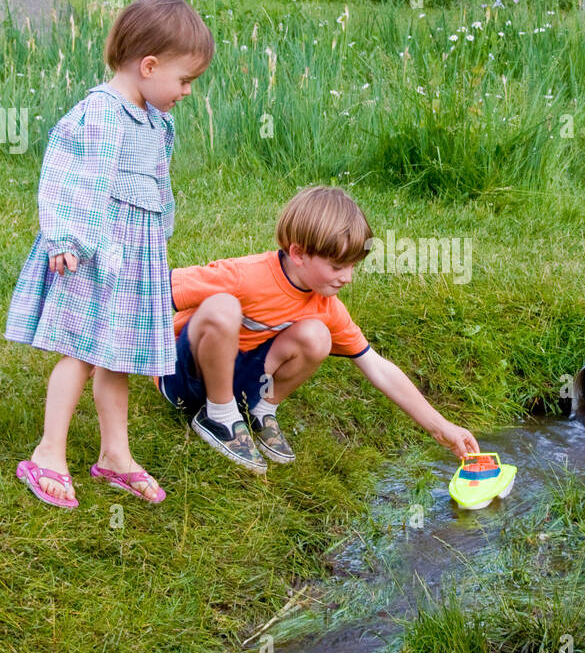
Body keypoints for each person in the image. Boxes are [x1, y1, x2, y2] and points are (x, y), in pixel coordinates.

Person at [5, 0, 214, 508]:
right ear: (149, 65)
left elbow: (157, 182)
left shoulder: (155, 119)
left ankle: (114, 454)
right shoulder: (100, 113)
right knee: (79, 347)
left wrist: (157, 233)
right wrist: (67, 239)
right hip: (92, 248)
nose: (187, 92)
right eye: (185, 80)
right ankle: (49, 451)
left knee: (116, 353)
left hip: (135, 252)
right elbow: (67, 178)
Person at [157, 185, 480, 476]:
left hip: (243, 380)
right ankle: (218, 417)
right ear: (298, 253)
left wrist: (441, 427)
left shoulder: (325, 306)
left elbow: (377, 367)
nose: (348, 278)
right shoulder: (245, 275)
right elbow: (151, 290)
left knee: (317, 336)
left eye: (353, 266)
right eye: (338, 266)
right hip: (185, 378)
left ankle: (260, 409)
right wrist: (112, 360)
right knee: (223, 306)